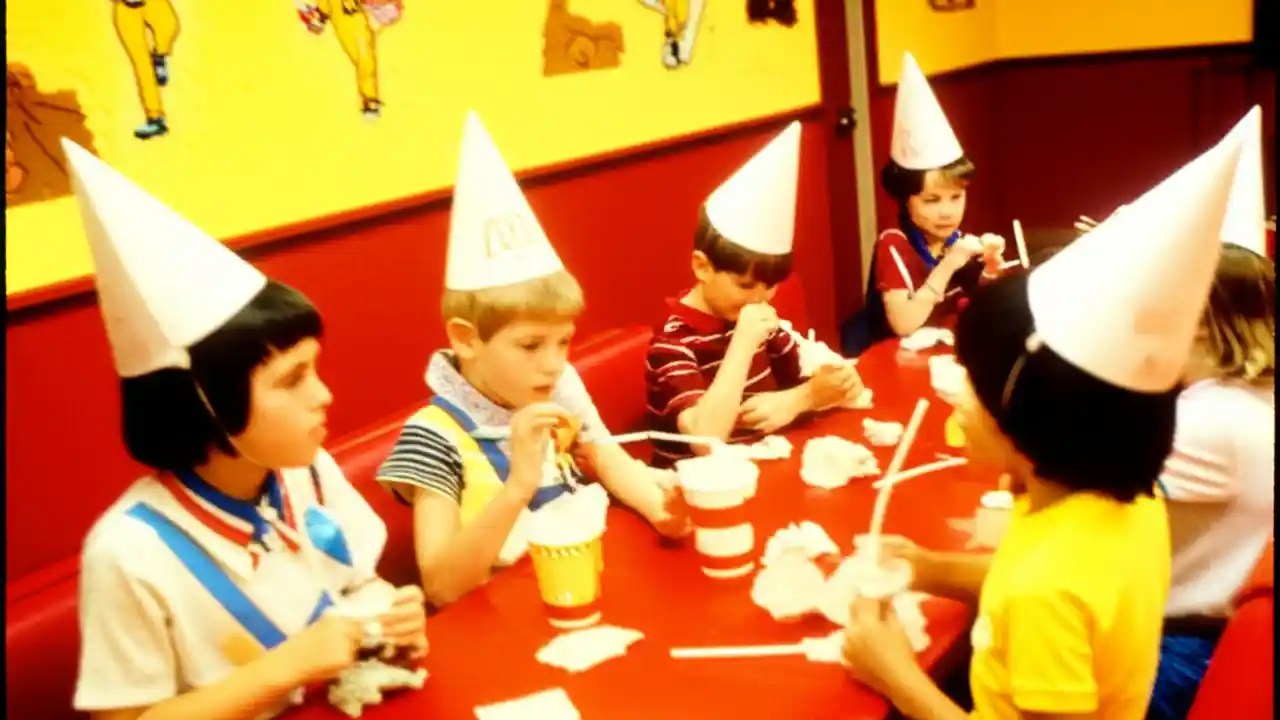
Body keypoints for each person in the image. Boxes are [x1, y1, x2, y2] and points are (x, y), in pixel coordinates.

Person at [839, 115, 1248, 719]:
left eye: (972, 386)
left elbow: (1042, 593)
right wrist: (928, 567)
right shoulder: (1120, 504)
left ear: (1027, 425)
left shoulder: (1044, 592)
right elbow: (1038, 580)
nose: (957, 401)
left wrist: (896, 676)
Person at [65, 140, 426, 719]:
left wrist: (388, 620)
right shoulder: (128, 553)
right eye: (292, 379)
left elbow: (356, 584)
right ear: (204, 405)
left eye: (315, 368)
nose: (324, 395)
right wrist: (288, 666)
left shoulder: (308, 471)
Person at [375, 113, 689, 608]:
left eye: (564, 342)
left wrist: (661, 510)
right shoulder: (433, 437)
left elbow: (604, 455)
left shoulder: (551, 388)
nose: (554, 363)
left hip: (583, 585)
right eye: (530, 345)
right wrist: (518, 484)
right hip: (502, 618)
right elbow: (440, 585)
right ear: (466, 339)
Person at [1149, 106, 1275, 720]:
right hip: (1221, 638)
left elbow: (1075, 507)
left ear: (1199, 322)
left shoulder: (1207, 423)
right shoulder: (1248, 397)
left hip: (1181, 651)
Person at [645, 121, 863, 468]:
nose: (760, 300)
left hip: (769, 467)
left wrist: (799, 399)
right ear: (702, 267)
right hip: (701, 485)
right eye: (745, 286)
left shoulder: (759, 319)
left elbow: (844, 383)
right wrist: (744, 341)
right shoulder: (673, 344)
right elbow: (705, 440)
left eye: (770, 286)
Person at [843, 52, 1007, 356]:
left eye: (956, 197)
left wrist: (991, 267)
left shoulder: (954, 241)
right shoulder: (894, 245)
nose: (946, 211)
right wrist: (950, 264)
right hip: (890, 360)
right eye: (931, 200)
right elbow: (904, 324)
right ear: (906, 200)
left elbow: (979, 304)